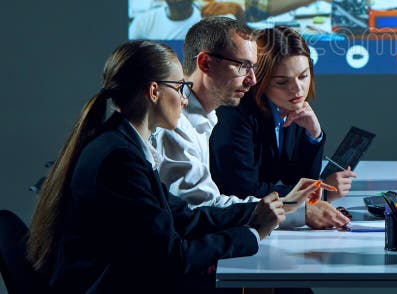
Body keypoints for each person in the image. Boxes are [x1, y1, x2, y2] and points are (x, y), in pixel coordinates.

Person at [26, 40, 317, 292]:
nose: (183, 98)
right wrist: (253, 233)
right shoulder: (119, 160)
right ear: (154, 91)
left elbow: (183, 217)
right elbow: (171, 256)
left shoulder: (124, 144)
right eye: (179, 87)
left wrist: (257, 212)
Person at [153, 17, 349, 229]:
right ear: (205, 63)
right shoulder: (174, 125)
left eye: (253, 67)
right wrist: (295, 212)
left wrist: (294, 205)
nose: (253, 80)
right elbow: (202, 209)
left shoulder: (208, 117)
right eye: (243, 67)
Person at [211, 26, 357, 201]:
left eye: (303, 76)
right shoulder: (235, 115)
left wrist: (314, 134)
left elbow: (295, 179)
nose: (297, 89)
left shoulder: (292, 108)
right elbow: (243, 190)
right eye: (282, 82)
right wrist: (318, 193)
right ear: (260, 81)